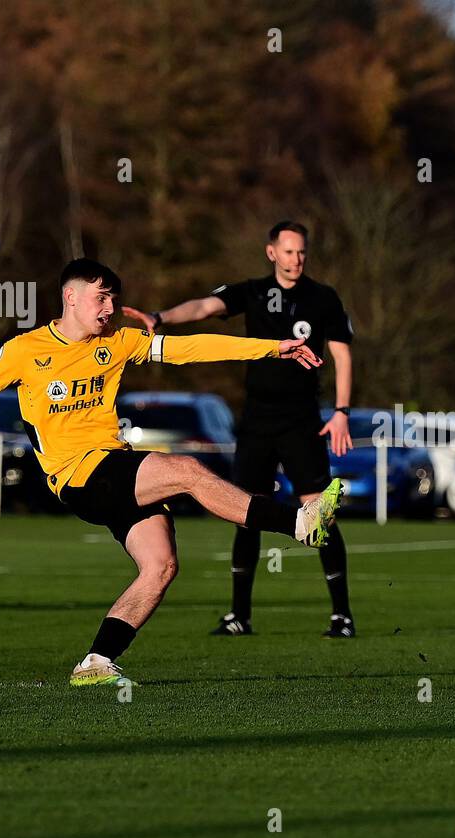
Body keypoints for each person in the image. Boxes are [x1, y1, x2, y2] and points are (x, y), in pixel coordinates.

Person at [0, 258, 344, 686]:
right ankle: (298, 522)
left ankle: (97, 661)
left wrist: (273, 346)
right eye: (100, 298)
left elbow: (188, 349)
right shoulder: (26, 351)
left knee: (160, 567)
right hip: (79, 475)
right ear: (71, 297)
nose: (108, 308)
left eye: (113, 300)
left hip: (112, 469)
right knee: (187, 471)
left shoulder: (118, 340)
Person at [123, 221, 358, 638]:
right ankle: (239, 616)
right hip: (256, 421)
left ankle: (341, 616)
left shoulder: (323, 298)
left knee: (319, 510)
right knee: (246, 510)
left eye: (301, 252)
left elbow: (341, 353)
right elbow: (202, 308)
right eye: (288, 252)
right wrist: (160, 317)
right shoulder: (250, 291)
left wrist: (341, 411)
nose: (296, 259)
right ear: (272, 253)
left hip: (302, 420)